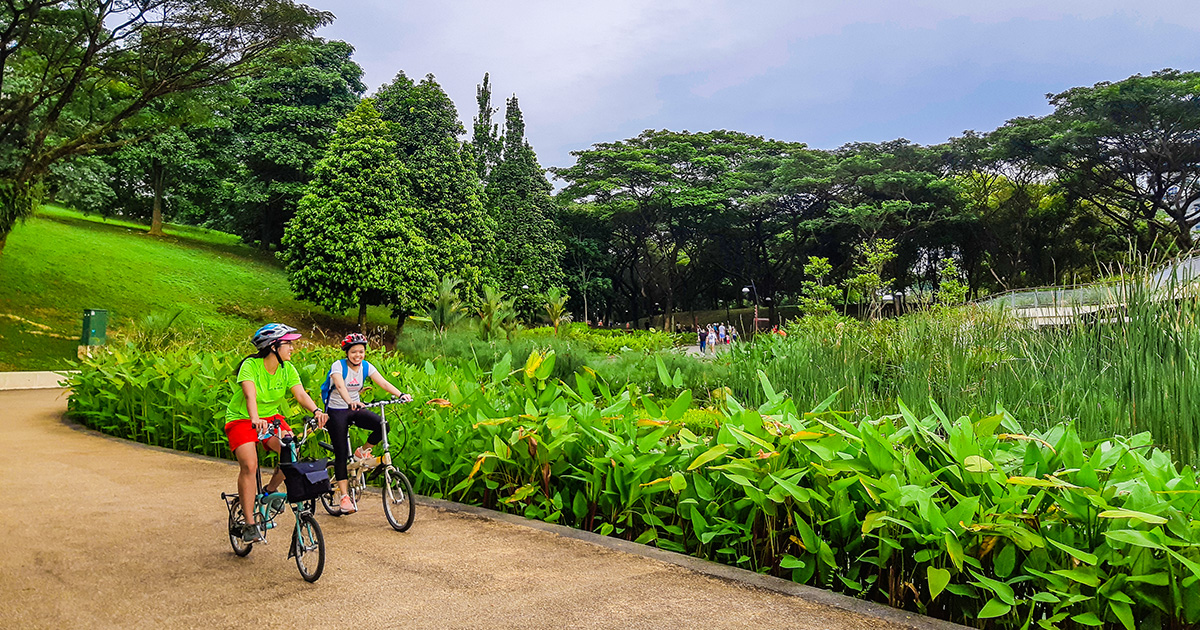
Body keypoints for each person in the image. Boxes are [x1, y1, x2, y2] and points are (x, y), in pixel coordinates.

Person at [225, 323, 328, 543]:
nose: (292, 348)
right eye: (288, 344)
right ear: (273, 346)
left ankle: (270, 491)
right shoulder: (251, 366)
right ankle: (250, 524)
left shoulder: (287, 369)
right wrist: (255, 419)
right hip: (243, 419)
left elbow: (300, 394)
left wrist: (317, 411)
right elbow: (250, 396)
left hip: (271, 418)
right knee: (250, 465)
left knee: (290, 453)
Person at [326, 333, 412, 514]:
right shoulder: (338, 366)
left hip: (354, 407)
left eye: (361, 352)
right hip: (336, 410)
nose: (358, 355)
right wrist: (350, 401)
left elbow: (384, 383)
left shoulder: (366, 366)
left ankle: (362, 451)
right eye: (354, 352)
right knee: (341, 453)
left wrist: (400, 394)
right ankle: (344, 497)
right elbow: (340, 386)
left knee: (383, 425)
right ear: (347, 353)